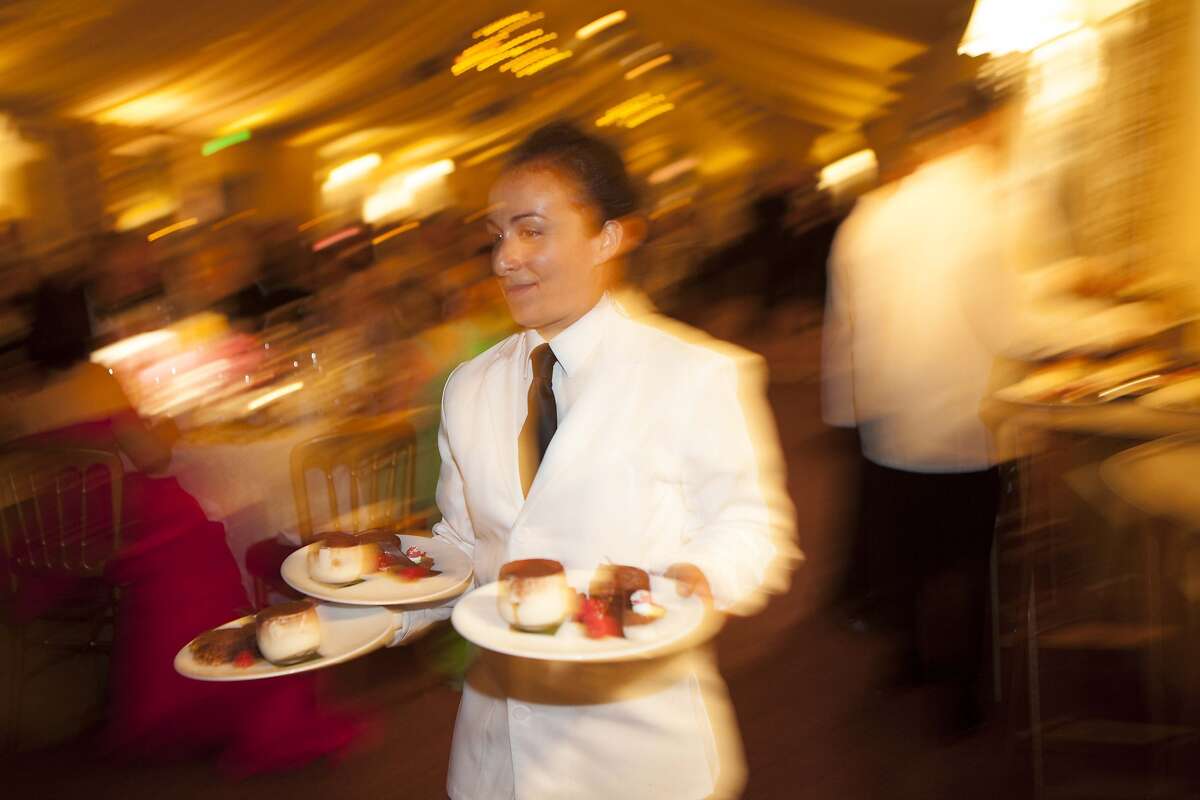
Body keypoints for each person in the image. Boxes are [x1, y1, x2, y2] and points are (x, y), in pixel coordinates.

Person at [387, 122, 798, 799]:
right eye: (496, 235)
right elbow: (466, 541)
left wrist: (700, 576)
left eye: (531, 230)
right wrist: (375, 606)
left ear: (607, 236)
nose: (502, 259)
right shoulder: (469, 387)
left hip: (636, 751)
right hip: (498, 753)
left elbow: (754, 527)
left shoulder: (695, 372)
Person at [3, 280, 359, 773]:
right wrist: (165, 427)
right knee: (204, 536)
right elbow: (152, 459)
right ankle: (220, 692)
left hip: (48, 540)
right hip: (110, 531)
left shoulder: (21, 395)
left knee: (196, 527)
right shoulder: (97, 379)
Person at [821, 86, 1020, 736]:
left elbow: (843, 327)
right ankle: (960, 694)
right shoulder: (981, 212)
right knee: (967, 559)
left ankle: (906, 660)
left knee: (906, 552)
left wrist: (847, 413)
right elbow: (1007, 326)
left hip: (887, 420)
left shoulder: (869, 217)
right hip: (961, 422)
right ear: (975, 132)